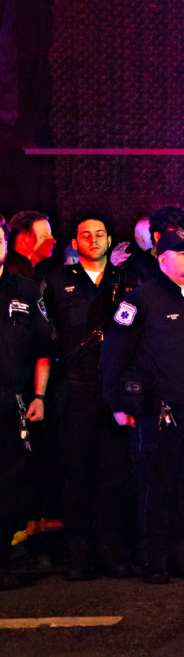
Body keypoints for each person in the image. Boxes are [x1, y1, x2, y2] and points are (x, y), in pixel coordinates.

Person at [99, 228, 184, 583]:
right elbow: (114, 354)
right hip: (157, 409)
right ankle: (153, 559)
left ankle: (180, 553)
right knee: (156, 484)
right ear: (162, 258)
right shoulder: (140, 300)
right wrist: (117, 403)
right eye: (183, 253)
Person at [39, 214, 136, 580]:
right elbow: (46, 338)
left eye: (99, 235)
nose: (93, 240)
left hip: (113, 391)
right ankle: (79, 557)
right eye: (85, 235)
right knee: (77, 475)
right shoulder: (55, 282)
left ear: (110, 240)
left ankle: (111, 553)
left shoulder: (125, 282)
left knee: (114, 474)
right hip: (75, 389)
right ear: (75, 243)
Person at [0, 227, 51, 590]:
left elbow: (43, 350)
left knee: (11, 484)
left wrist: (39, 396)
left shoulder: (25, 291)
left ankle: (3, 559)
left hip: (11, 398)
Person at [6, 211, 57, 281]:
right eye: (44, 236)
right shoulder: (12, 277)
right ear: (22, 240)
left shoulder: (26, 274)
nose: (54, 241)